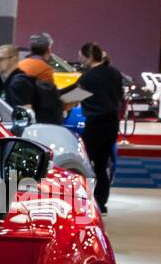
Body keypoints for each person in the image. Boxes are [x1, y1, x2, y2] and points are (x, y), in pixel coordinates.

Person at [71, 41, 124, 214]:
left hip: (95, 123)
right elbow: (120, 97)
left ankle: (87, 200)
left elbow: (73, 96)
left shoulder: (88, 77)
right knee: (103, 164)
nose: (80, 61)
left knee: (86, 162)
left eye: (81, 57)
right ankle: (102, 203)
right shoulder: (115, 73)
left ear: (89, 57)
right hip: (112, 123)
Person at [17, 32, 64, 124]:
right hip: (37, 118)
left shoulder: (21, 64)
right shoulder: (45, 69)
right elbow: (48, 100)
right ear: (48, 49)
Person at [0, 44, 40, 117]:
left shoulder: (19, 83)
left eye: (0, 59)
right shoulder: (12, 81)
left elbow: (26, 117)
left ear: (14, 59)